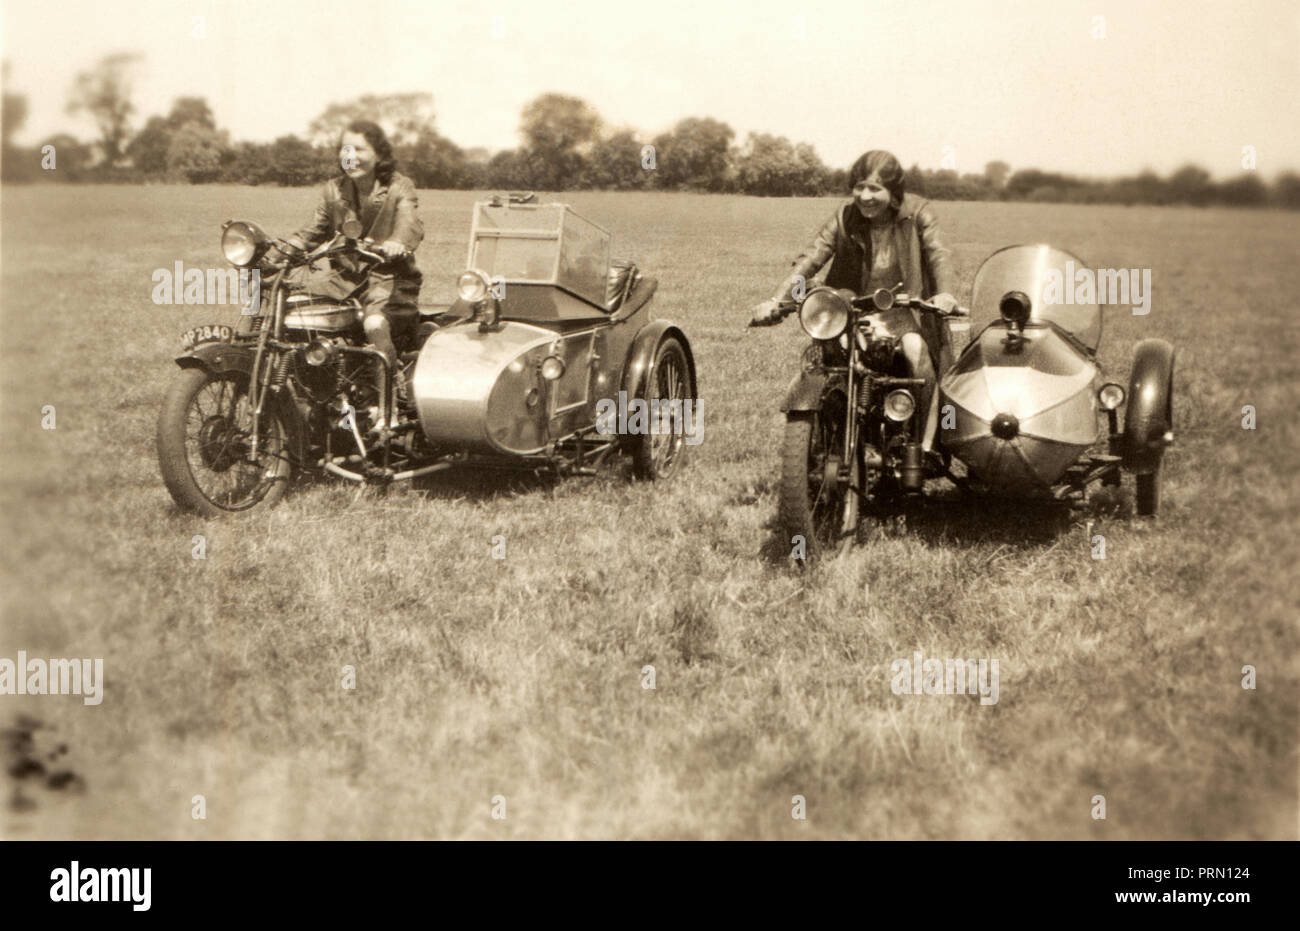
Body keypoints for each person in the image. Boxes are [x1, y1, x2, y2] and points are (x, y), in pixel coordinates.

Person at [749, 150, 958, 448]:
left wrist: (945, 294)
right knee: (837, 357)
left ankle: (926, 445)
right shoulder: (845, 217)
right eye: (859, 187)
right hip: (856, 311)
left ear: (894, 191)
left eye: (875, 188)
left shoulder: (918, 213)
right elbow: (811, 258)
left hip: (906, 312)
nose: (865, 196)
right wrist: (776, 299)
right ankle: (836, 433)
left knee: (917, 352)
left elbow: (939, 254)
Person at [281, 120, 424, 421]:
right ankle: (315, 395)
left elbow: (409, 222)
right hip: (344, 279)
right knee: (293, 307)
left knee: (374, 324)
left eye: (359, 148)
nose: (352, 156)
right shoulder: (334, 190)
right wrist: (278, 252)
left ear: (379, 154)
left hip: (389, 278)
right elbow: (312, 231)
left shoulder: (399, 187)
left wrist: (397, 242)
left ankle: (388, 410)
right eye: (346, 149)